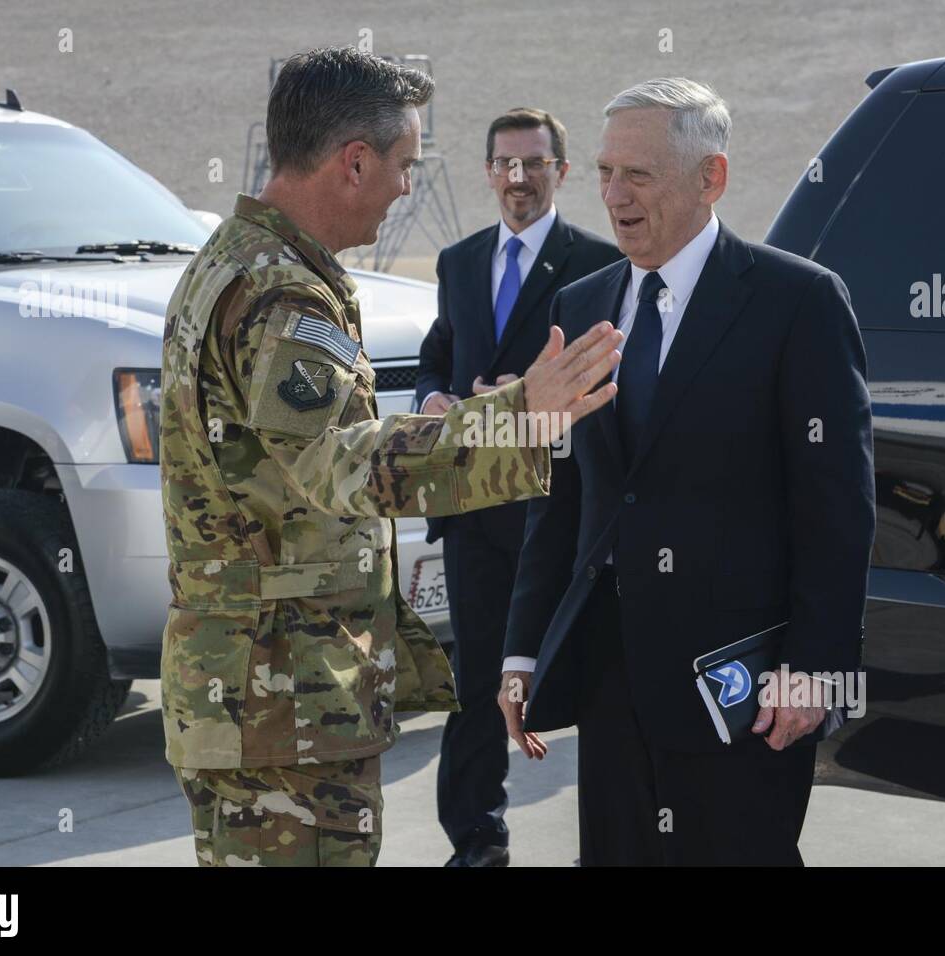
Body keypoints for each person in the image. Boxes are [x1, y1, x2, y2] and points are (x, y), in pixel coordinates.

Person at [159, 46, 623, 867]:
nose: (409, 186)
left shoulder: (240, 260)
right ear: (354, 162)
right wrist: (521, 417)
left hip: (262, 694)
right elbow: (343, 465)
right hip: (283, 707)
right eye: (404, 165)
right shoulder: (279, 292)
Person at [499, 77, 875, 866]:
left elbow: (837, 509)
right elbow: (559, 497)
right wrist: (524, 651)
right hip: (610, 678)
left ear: (711, 178)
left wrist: (815, 667)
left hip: (740, 684)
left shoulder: (797, 302)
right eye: (605, 172)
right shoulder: (581, 304)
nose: (614, 196)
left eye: (638, 174)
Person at [415, 107, 620, 867]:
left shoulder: (599, 263)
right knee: (474, 685)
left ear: (560, 172)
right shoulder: (459, 261)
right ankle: (477, 840)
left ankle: (615, 838)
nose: (519, 177)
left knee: (581, 678)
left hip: (557, 512)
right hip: (475, 511)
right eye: (505, 163)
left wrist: (526, 398)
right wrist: (435, 397)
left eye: (534, 163)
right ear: (488, 172)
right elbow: (439, 353)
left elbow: (611, 377)